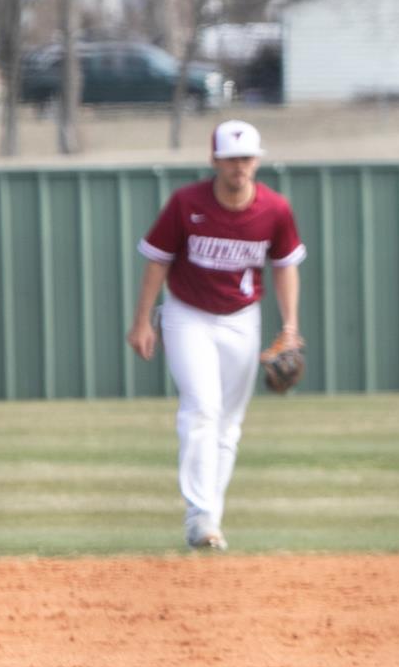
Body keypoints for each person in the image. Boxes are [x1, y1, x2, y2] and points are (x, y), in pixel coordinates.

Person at [126, 119, 305, 550]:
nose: (238, 167)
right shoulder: (187, 203)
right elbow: (157, 261)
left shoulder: (275, 209)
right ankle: (200, 514)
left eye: (245, 158)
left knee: (229, 425)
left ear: (257, 160)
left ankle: (208, 522)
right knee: (202, 409)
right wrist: (142, 320)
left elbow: (285, 267)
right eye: (230, 159)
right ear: (214, 161)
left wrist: (290, 327)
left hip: (242, 319)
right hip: (188, 314)